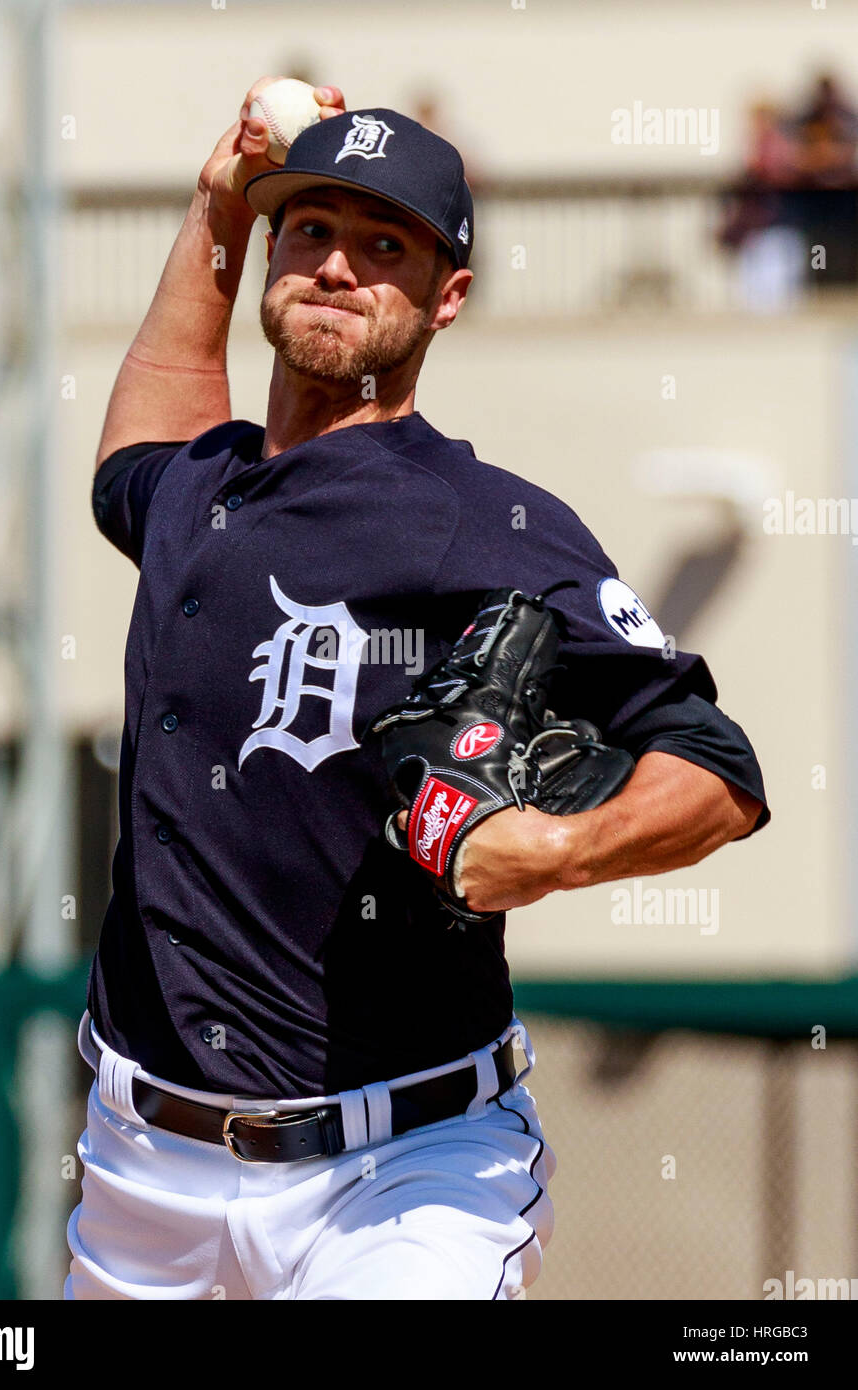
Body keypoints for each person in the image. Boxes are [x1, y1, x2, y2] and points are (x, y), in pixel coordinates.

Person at [66, 78, 768, 1301]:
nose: (336, 266)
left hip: (400, 1174)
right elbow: (134, 443)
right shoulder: (197, 488)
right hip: (143, 1181)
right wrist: (213, 205)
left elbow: (717, 771)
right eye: (311, 231)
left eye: (384, 245)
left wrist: (551, 847)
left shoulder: (483, 523)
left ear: (447, 297)